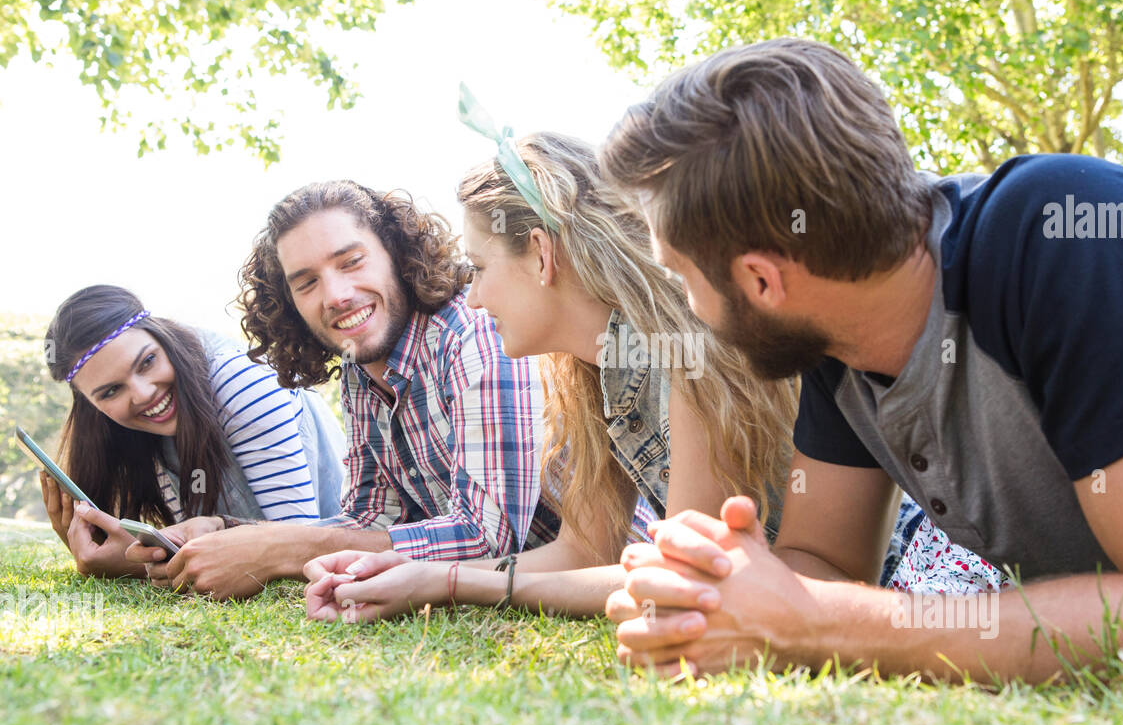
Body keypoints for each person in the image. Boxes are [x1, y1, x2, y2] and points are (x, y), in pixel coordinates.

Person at [597, 38, 1123, 689]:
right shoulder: (834, 337)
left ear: (760, 281)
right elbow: (825, 568)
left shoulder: (1076, 232)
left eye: (680, 276)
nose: (687, 305)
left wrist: (812, 625)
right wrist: (716, 590)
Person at [304, 127, 999, 624]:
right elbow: (583, 550)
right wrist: (418, 577)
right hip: (806, 596)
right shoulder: (595, 375)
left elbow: (683, 576)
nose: (474, 297)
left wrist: (454, 585)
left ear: (542, 256)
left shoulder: (687, 348)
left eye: (481, 268)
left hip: (910, 581)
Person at [123, 181, 557, 600]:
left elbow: (491, 537)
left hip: (579, 576)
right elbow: (370, 517)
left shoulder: (474, 335)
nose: (336, 295)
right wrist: (227, 533)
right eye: (307, 282)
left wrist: (279, 552)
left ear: (397, 254)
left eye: (351, 262)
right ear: (289, 302)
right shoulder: (358, 368)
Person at [40, 284, 345, 580]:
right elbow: (203, 549)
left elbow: (298, 547)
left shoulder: (240, 383)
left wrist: (133, 565)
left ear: (161, 337)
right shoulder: (146, 425)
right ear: (92, 407)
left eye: (147, 362)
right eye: (110, 391)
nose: (144, 394)